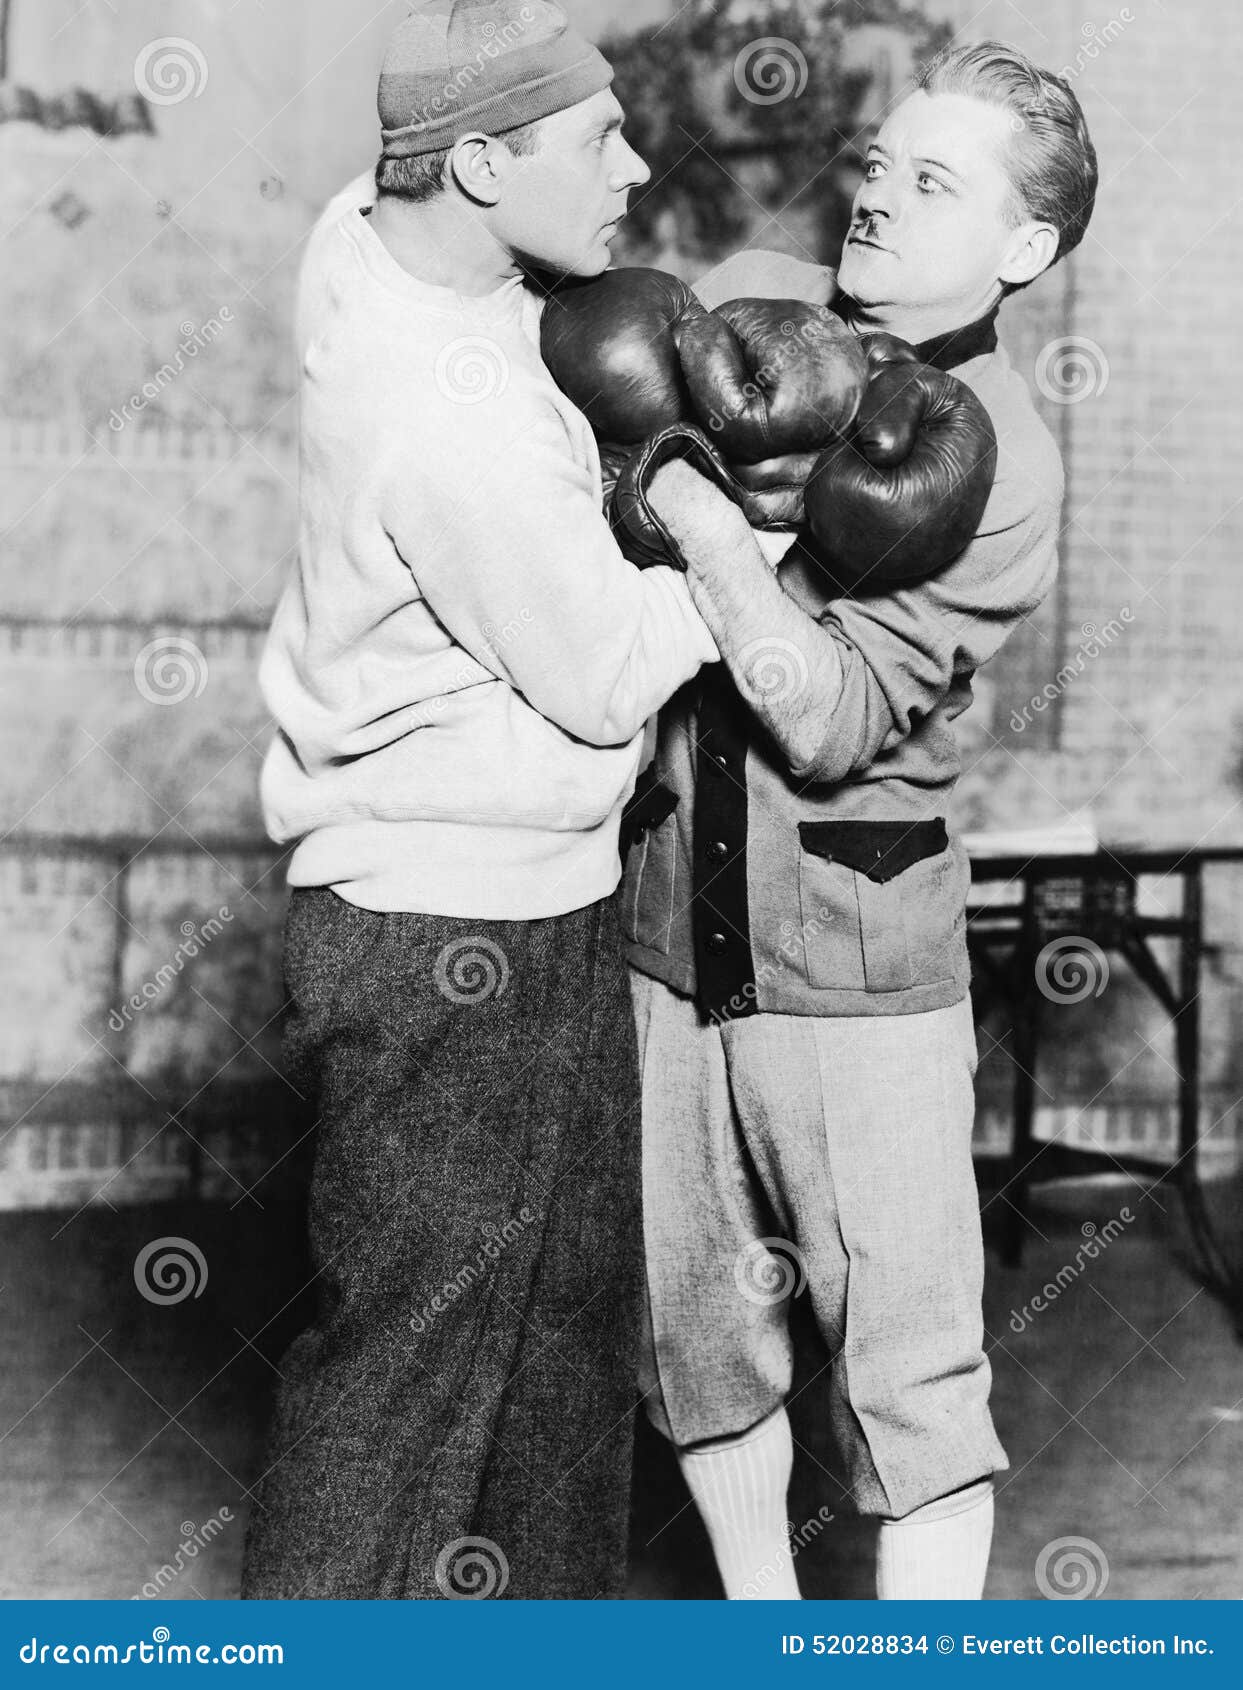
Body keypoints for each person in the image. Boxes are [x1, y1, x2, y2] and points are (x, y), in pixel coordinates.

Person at [241, 0, 718, 1601]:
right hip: (464, 934)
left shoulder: (359, 249)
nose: (638, 168)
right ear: (480, 161)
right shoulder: (454, 414)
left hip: (505, 905)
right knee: (415, 1373)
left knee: (564, 1356)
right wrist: (752, 533)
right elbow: (604, 674)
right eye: (600, 140)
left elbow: (385, 211)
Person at [622, 40, 1099, 1600]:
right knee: (696, 1343)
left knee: (911, 1388)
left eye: (935, 181)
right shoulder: (761, 289)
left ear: (1022, 246)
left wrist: (697, 514)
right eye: (885, 162)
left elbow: (823, 718)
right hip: (662, 935)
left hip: (856, 956)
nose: (881, 194)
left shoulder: (1007, 464)